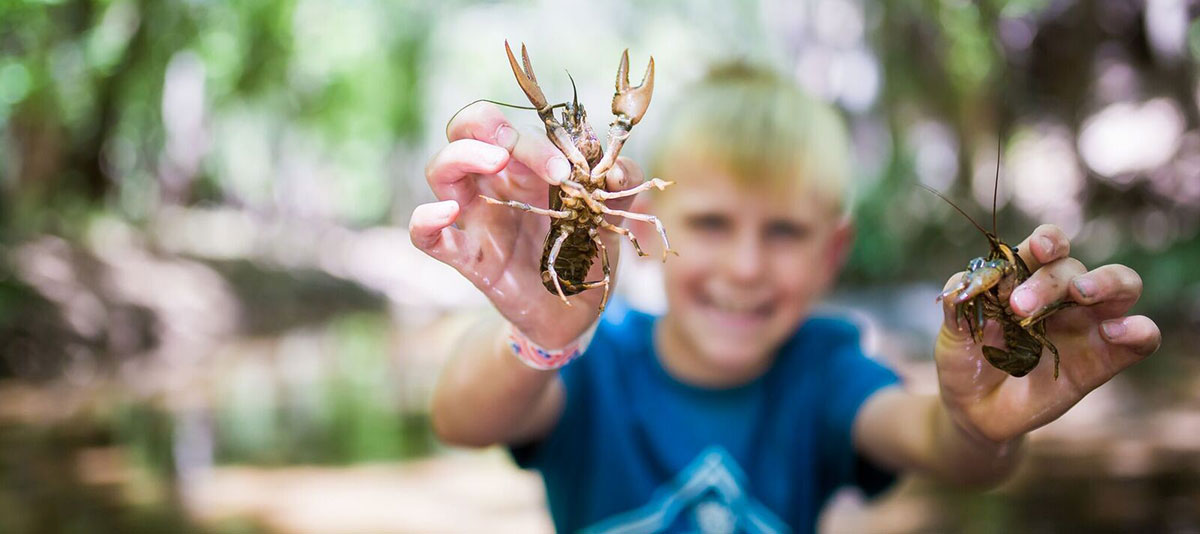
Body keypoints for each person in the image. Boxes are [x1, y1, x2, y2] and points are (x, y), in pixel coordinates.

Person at [409, 62, 1160, 533]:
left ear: (833, 250)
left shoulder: (826, 372)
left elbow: (940, 443)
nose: (744, 266)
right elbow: (461, 418)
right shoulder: (597, 361)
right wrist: (539, 332)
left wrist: (979, 425)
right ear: (646, 218)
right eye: (709, 223)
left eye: (784, 233)